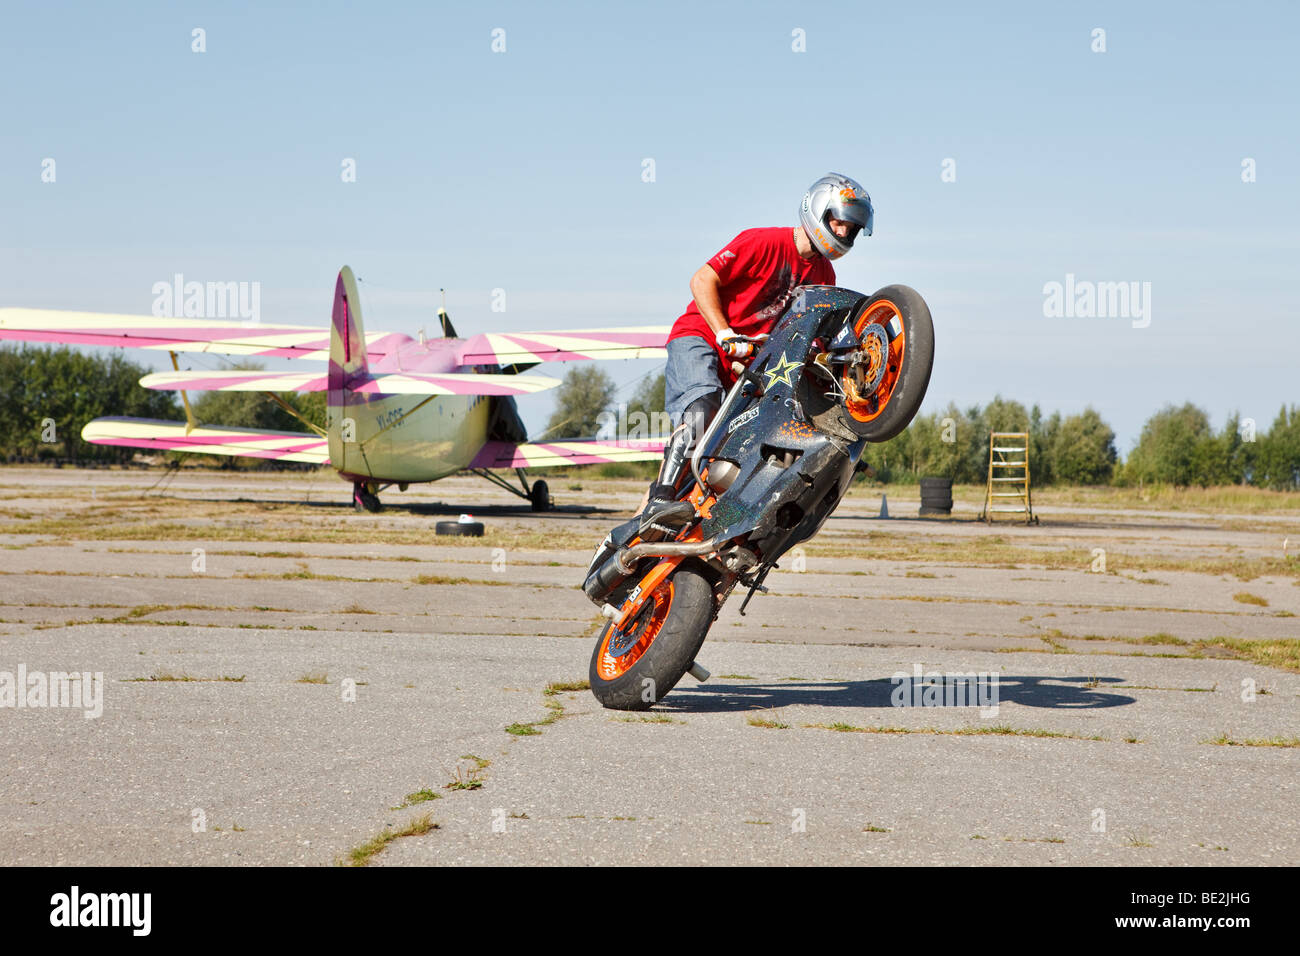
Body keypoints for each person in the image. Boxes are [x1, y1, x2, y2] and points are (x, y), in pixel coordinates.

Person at [636, 172, 875, 525]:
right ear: (818, 211)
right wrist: (723, 333)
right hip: (700, 337)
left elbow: (805, 334)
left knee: (723, 449)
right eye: (838, 222)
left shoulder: (824, 275)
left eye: (851, 228)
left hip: (748, 364)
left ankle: (649, 524)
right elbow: (701, 279)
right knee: (701, 409)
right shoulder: (762, 242)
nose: (842, 232)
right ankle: (659, 501)